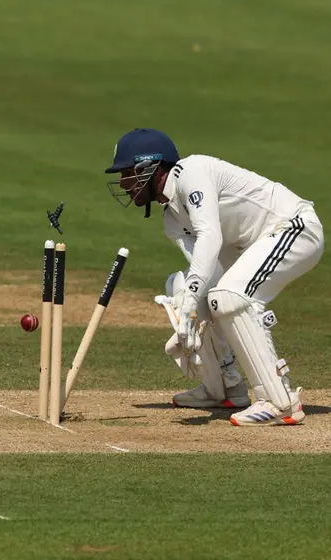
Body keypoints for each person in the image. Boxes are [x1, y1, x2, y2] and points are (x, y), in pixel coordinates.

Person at [105, 128, 324, 426]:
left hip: (293, 228)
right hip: (257, 244)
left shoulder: (192, 172)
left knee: (229, 297)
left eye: (127, 173)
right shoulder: (171, 218)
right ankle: (223, 388)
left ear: (151, 167)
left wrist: (192, 302)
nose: (123, 183)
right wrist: (188, 316)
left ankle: (280, 401)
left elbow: (210, 236)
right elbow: (206, 270)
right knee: (183, 288)